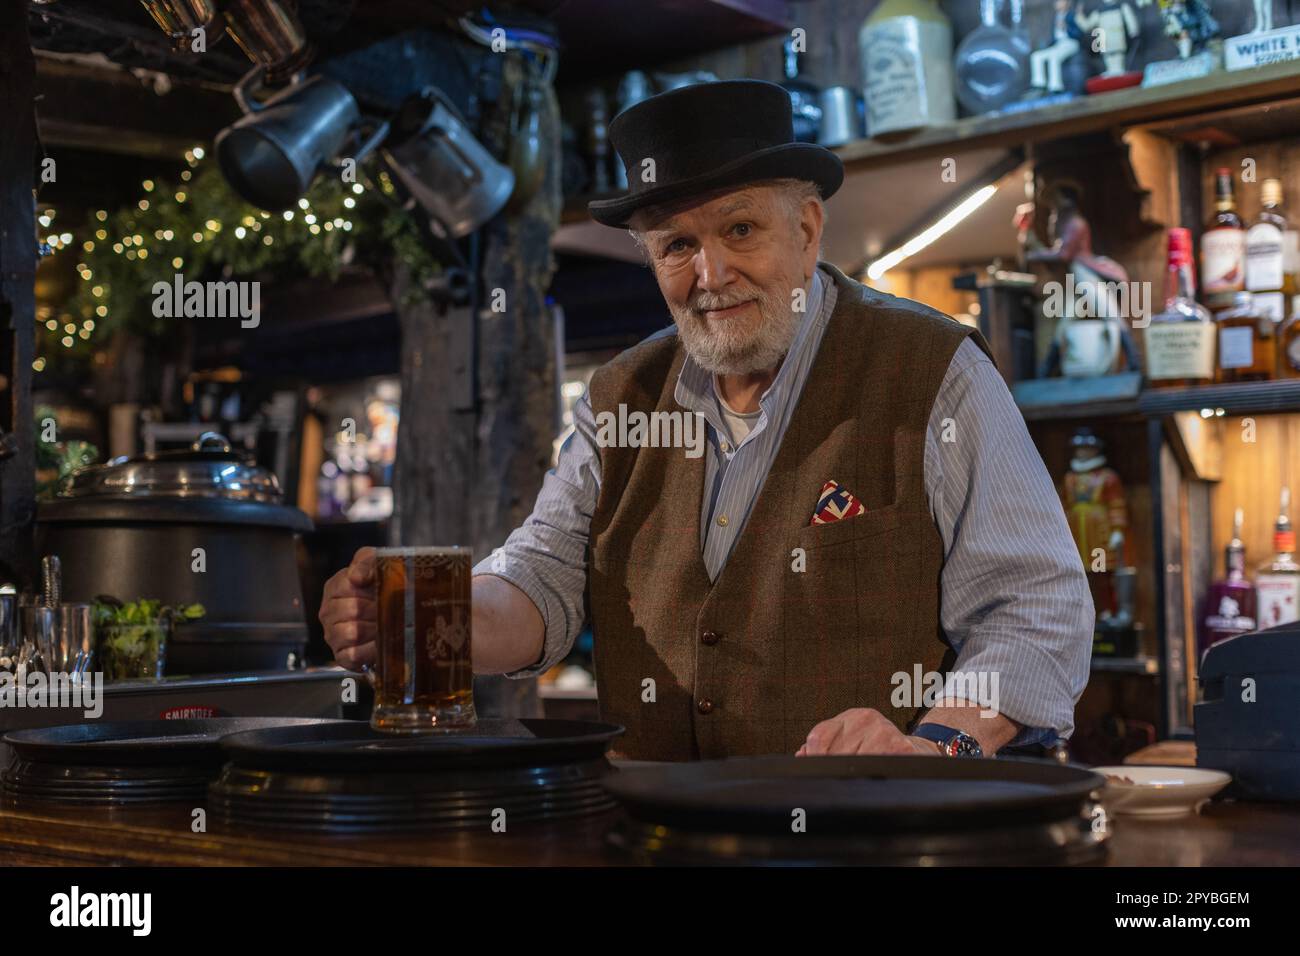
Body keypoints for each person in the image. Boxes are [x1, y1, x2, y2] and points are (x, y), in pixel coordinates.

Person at [321, 80, 1093, 762]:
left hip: (867, 835)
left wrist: (938, 742)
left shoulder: (931, 370)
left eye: (740, 230)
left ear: (808, 228)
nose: (711, 274)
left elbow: (1034, 608)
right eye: (677, 246)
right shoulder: (620, 398)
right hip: (657, 837)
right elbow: (544, 581)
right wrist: (432, 615)